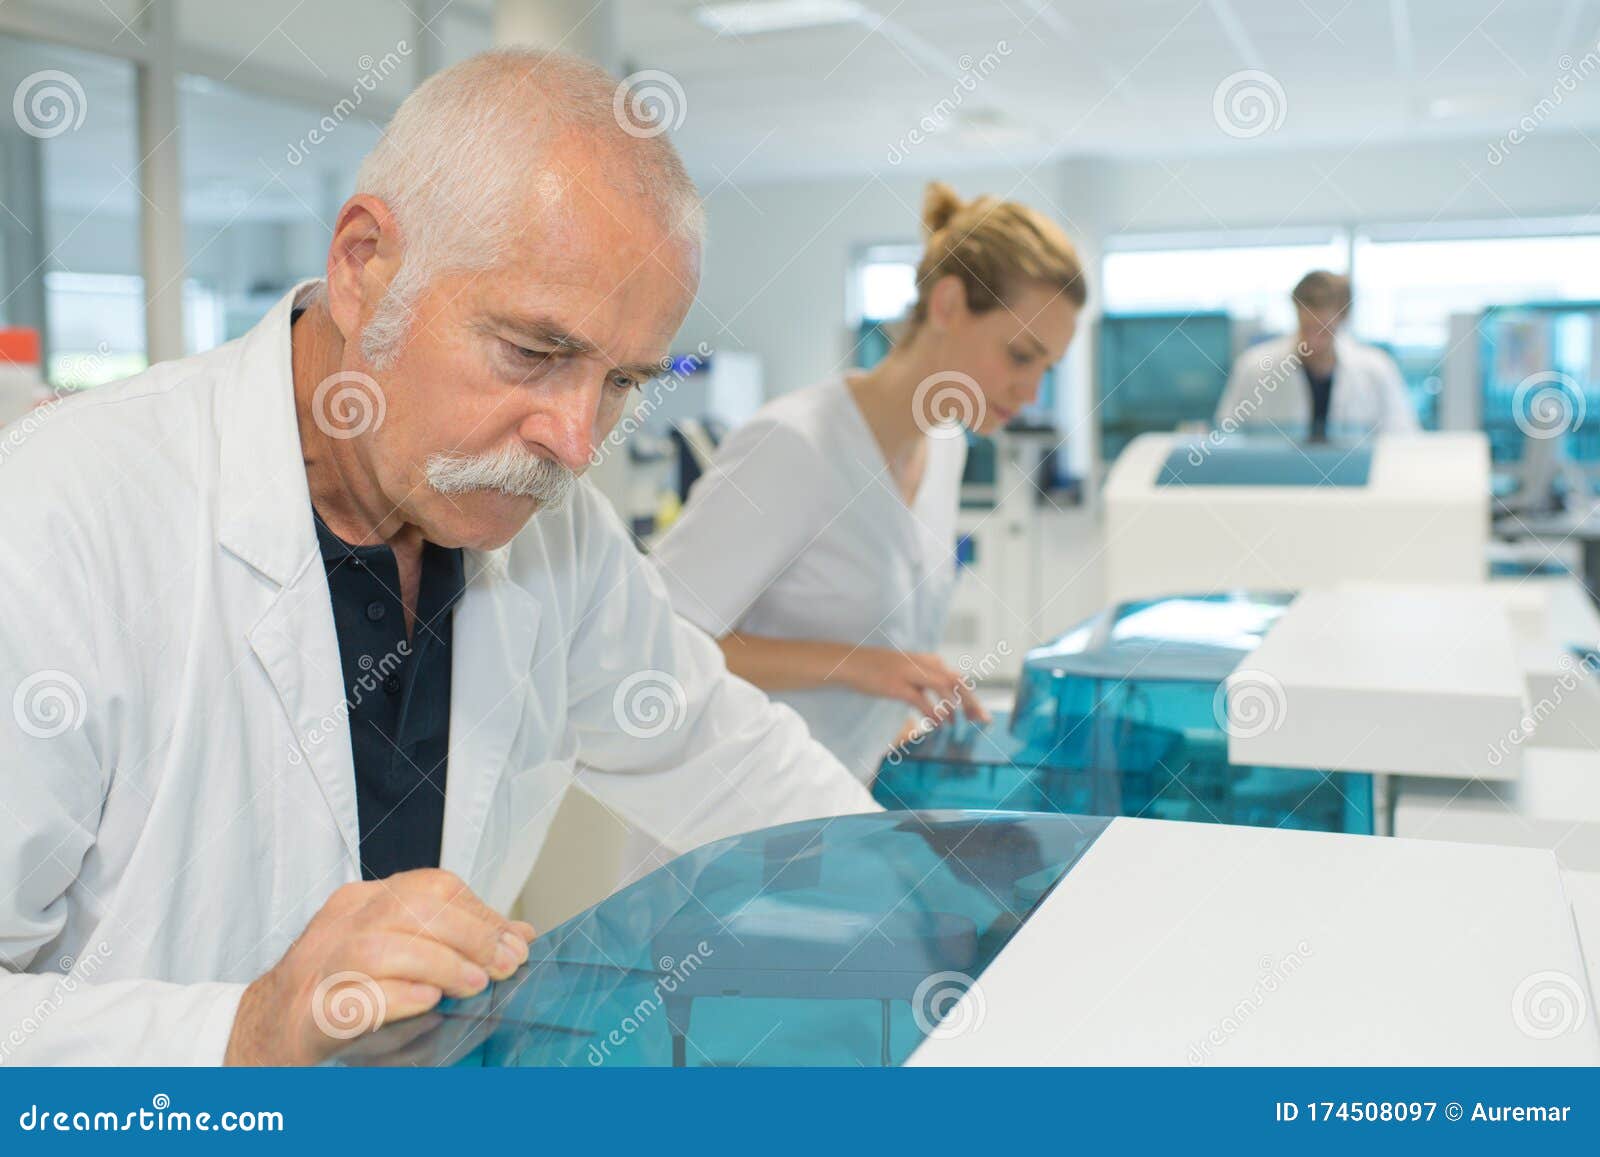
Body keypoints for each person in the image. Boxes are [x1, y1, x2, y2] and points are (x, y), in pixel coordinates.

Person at [0, 50, 876, 1067]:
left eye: (623, 381)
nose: (577, 439)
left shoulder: (550, 528)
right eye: (534, 351)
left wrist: (939, 902)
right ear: (364, 264)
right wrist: (240, 1032)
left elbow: (721, 755)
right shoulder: (58, 515)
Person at [652, 183, 1085, 782]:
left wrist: (898, 719)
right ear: (949, 306)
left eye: (1047, 368)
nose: (1032, 391)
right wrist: (861, 667)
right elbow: (656, 642)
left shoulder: (945, 451)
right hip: (725, 819)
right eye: (1018, 355)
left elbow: (887, 644)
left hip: (842, 805)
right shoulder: (795, 445)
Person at [1213, 270, 1418, 442]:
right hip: (1275, 485)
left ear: (1343, 318)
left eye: (1323, 330)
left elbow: (1402, 440)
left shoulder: (1376, 369)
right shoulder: (1254, 367)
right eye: (1307, 328)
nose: (1313, 341)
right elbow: (1226, 436)